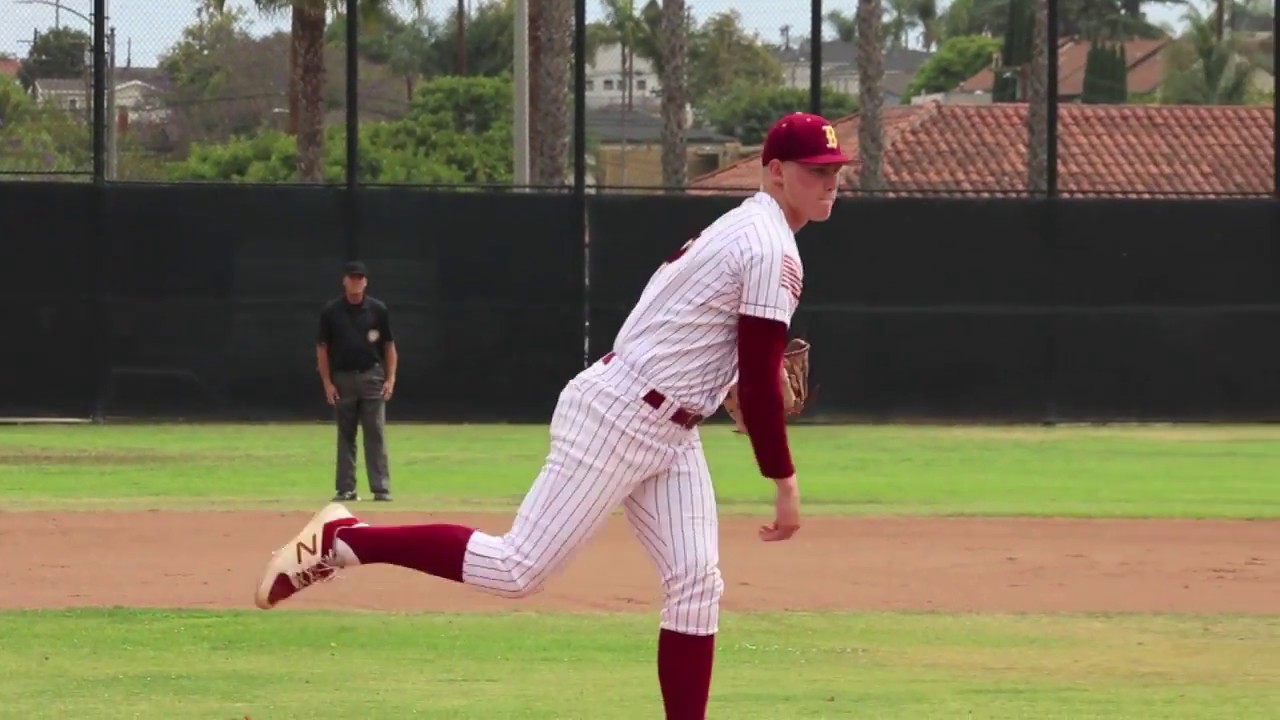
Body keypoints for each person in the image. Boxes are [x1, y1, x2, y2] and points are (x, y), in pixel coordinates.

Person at [257, 112, 849, 719]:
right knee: (518, 568)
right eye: (815, 171)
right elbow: (756, 370)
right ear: (775, 172)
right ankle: (345, 541)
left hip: (670, 429)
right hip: (619, 417)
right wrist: (783, 478)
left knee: (697, 583)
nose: (830, 182)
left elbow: (687, 328)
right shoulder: (771, 247)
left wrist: (725, 387)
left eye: (834, 171)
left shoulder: (745, 228)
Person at [315, 260, 397, 502]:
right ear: (344, 280)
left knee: (375, 433)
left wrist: (390, 378)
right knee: (345, 434)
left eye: (360, 277)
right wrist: (327, 382)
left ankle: (380, 488)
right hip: (342, 378)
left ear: (366, 281)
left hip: (371, 375)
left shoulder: (378, 310)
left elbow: (389, 346)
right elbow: (322, 348)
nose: (356, 282)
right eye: (352, 277)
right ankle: (346, 488)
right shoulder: (331, 312)